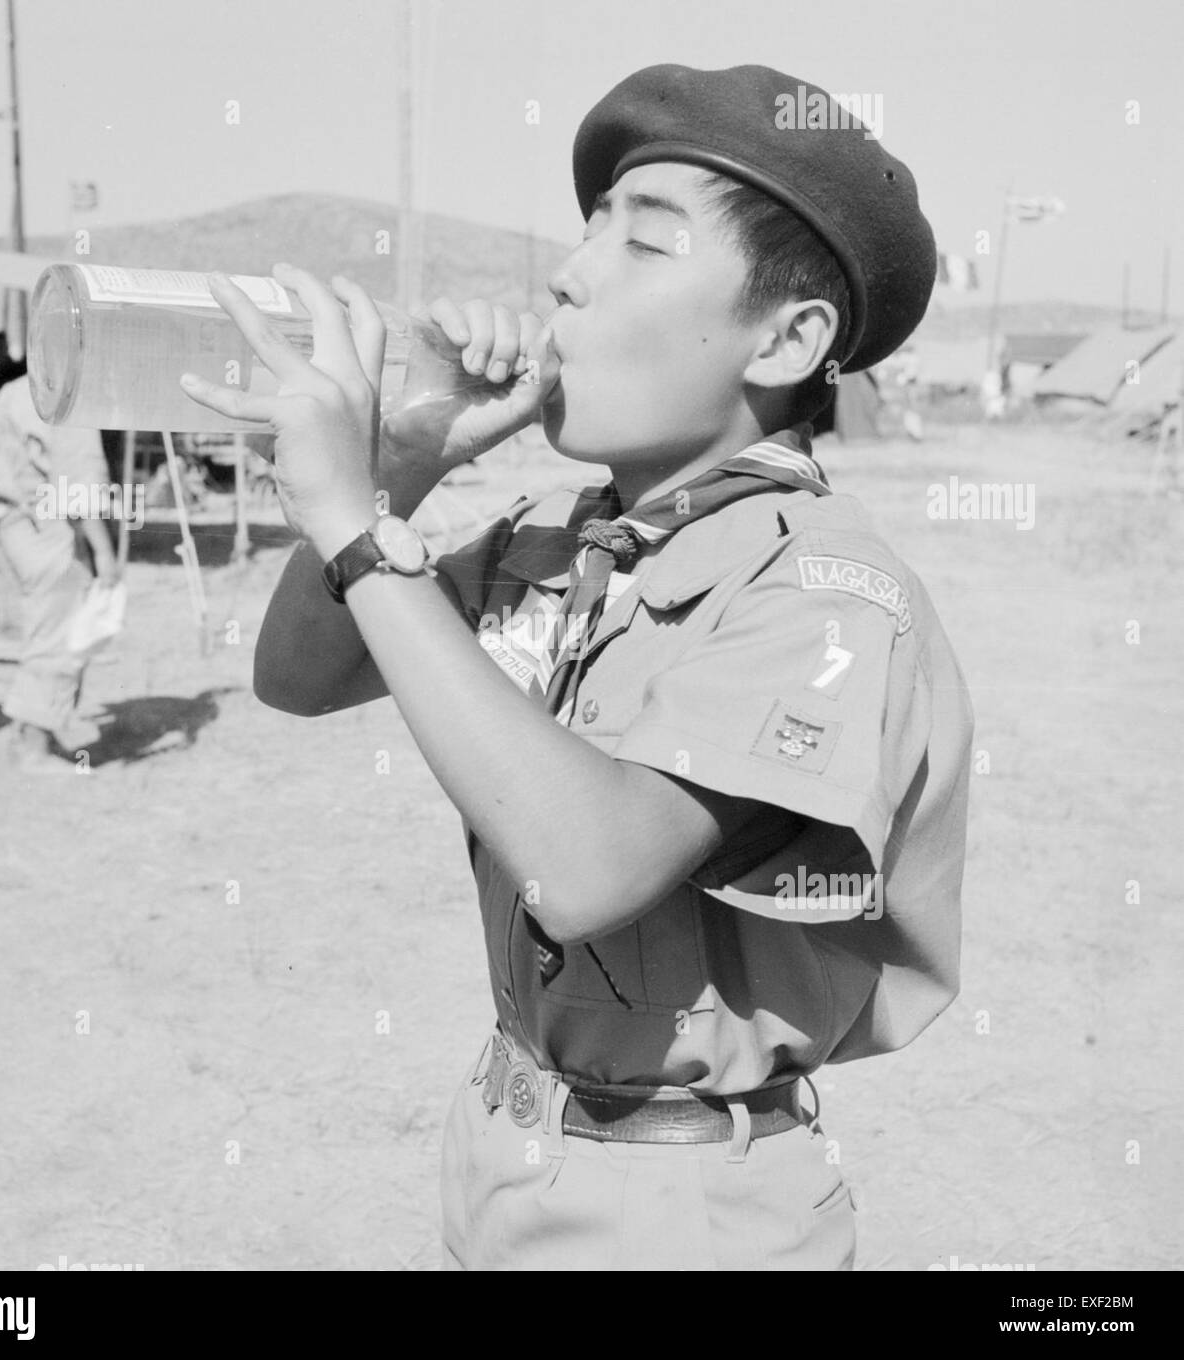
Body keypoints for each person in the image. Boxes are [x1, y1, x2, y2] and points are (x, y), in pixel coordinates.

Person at [185, 63, 973, 1270]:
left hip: (682, 1207)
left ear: (787, 337)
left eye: (643, 243)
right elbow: (297, 673)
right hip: (507, 1140)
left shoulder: (821, 591)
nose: (568, 271)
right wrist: (406, 462)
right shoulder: (563, 539)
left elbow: (590, 863)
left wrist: (354, 526)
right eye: (587, 227)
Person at [0, 375, 119, 770]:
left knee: (44, 628)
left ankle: (31, 732)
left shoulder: (14, 390)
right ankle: (33, 749)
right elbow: (78, 486)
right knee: (58, 637)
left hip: (15, 525)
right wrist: (103, 552)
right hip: (49, 527)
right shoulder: (71, 391)